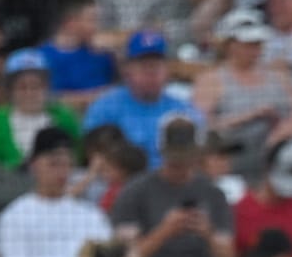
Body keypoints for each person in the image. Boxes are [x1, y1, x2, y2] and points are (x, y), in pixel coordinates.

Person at [109, 116, 235, 257]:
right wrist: (164, 231)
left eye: (185, 158)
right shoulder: (135, 192)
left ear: (197, 154)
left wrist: (208, 234)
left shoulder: (213, 194)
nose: (180, 165)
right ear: (162, 153)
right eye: (174, 159)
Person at [0, 127, 113, 257]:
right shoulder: (14, 215)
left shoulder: (91, 215)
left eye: (67, 164)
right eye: (54, 164)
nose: (61, 172)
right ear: (34, 165)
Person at [194, 10, 292, 176]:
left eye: (258, 44)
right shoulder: (212, 80)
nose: (254, 50)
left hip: (276, 153)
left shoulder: (279, 77)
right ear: (229, 44)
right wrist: (250, 116)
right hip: (232, 154)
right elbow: (201, 127)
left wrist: (281, 128)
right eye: (248, 44)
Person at [83, 31, 205, 168]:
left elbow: (198, 156)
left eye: (157, 65)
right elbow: (94, 157)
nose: (151, 72)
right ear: (126, 69)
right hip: (122, 183)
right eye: (144, 65)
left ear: (168, 69)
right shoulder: (106, 106)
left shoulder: (183, 110)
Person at [0, 50, 85, 170]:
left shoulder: (64, 117)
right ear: (10, 90)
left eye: (36, 86)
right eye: (22, 87)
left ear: (46, 87)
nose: (30, 93)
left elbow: (78, 158)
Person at [39, 0, 118, 115]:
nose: (96, 26)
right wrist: (92, 98)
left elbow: (121, 92)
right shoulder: (41, 58)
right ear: (70, 23)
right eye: (91, 20)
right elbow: (48, 100)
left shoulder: (103, 55)